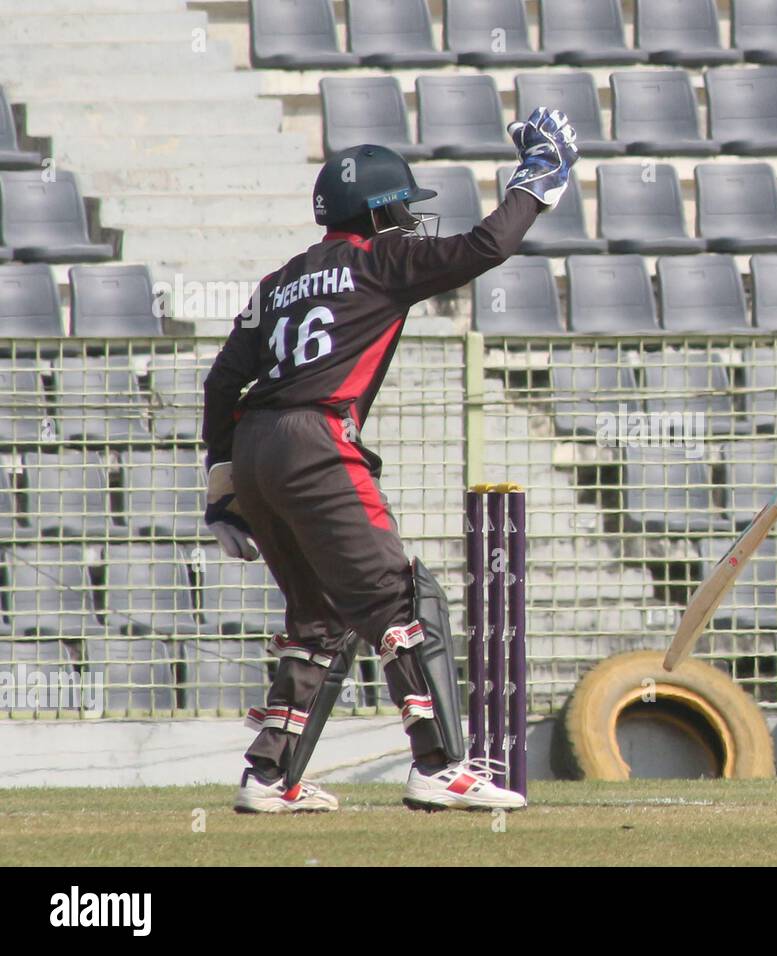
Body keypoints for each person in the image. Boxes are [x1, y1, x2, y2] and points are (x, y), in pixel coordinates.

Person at [202, 108, 578, 814]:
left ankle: (268, 775)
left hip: (254, 446)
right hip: (316, 440)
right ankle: (438, 765)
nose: (409, 220)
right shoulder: (381, 261)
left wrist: (221, 484)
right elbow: (489, 245)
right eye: (402, 207)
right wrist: (537, 181)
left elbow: (222, 383)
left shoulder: (279, 281)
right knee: (401, 600)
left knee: (317, 618)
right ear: (376, 211)